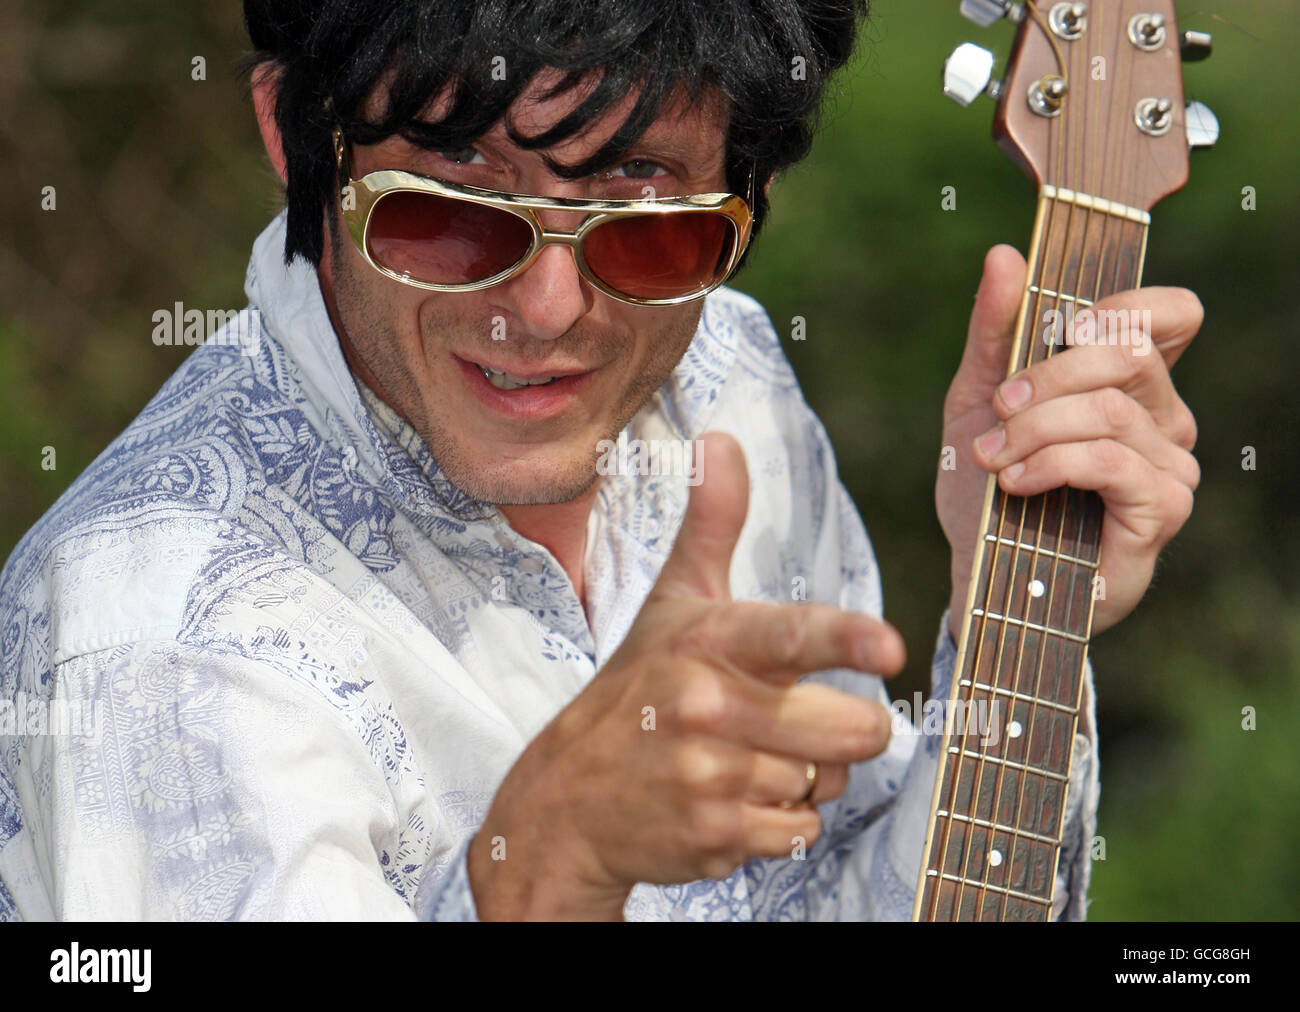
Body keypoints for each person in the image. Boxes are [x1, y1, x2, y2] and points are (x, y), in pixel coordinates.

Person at [0, 0, 1202, 920]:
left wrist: (1012, 613)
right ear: (288, 134)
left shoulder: (722, 374)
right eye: (451, 210)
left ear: (754, 186)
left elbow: (841, 893)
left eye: (646, 227)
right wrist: (541, 873)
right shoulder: (159, 653)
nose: (548, 308)